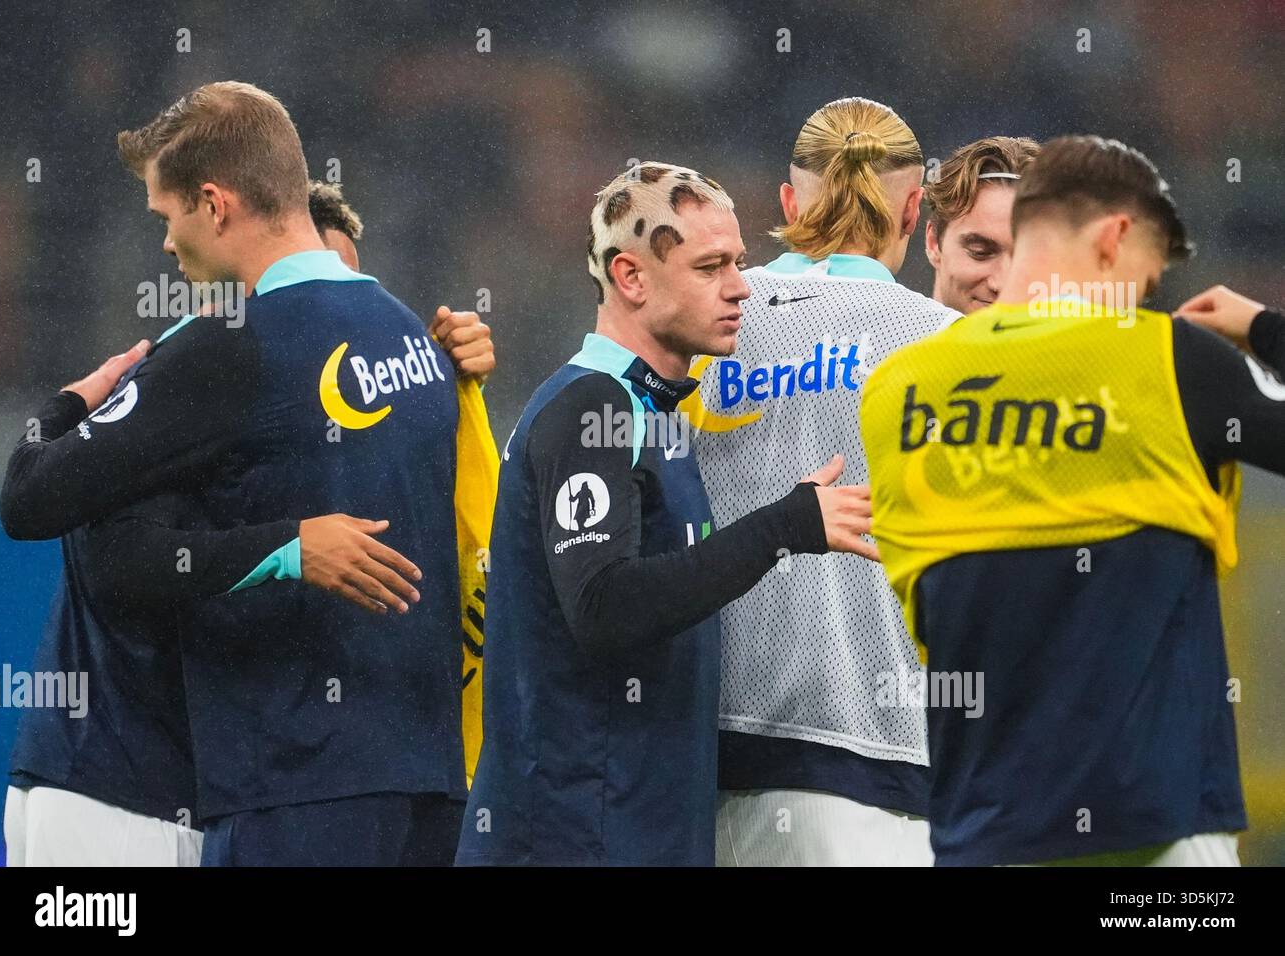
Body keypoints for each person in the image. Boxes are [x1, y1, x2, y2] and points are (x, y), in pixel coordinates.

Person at [1, 81, 470, 866]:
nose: (163, 243)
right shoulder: (411, 336)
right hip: (426, 781)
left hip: (296, 782)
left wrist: (66, 404)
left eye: (166, 215)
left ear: (215, 205)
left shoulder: (227, 348)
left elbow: (29, 497)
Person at [860, 135, 1285, 866]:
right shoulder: (1168, 361)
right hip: (1159, 827)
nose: (1143, 300)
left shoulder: (895, 391)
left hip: (977, 827)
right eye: (1146, 278)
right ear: (1116, 236)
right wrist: (1262, 329)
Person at [456, 161, 876, 866]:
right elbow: (604, 606)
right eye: (711, 266)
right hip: (571, 836)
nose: (741, 286)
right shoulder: (593, 409)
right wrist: (784, 528)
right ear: (631, 278)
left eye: (739, 262)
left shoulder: (657, 415)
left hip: (634, 831)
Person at [684, 97, 956, 865]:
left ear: (788, 203)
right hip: (876, 758)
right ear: (912, 210)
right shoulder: (947, 347)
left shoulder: (704, 324)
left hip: (692, 760)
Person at [923, 136, 1040, 315]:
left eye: (1027, 259)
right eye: (980, 253)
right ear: (933, 243)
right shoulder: (884, 339)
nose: (1001, 284)